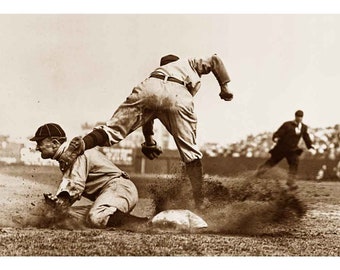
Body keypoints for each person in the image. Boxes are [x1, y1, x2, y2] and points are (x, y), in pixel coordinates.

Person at [58, 53, 234, 209]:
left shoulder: (159, 72)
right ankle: (199, 201)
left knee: (112, 130)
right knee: (191, 153)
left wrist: (149, 142)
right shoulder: (188, 63)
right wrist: (224, 87)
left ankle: (83, 143)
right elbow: (215, 59)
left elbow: (147, 117)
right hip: (178, 93)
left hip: (148, 89)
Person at [30, 123, 147, 228]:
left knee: (96, 217)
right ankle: (114, 215)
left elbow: (75, 187)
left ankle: (146, 224)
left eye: (40, 142)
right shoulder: (67, 157)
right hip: (111, 194)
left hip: (119, 188)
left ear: (55, 143)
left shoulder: (76, 153)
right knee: (64, 217)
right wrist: (56, 207)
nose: (37, 147)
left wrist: (60, 202)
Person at [255, 110, 315, 190]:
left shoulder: (303, 127)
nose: (299, 118)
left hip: (292, 150)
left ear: (302, 117)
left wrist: (310, 146)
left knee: (295, 162)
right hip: (281, 149)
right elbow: (279, 132)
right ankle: (257, 174)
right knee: (271, 162)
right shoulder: (287, 125)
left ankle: (291, 182)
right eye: (298, 116)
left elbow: (306, 137)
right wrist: (276, 137)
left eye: (301, 117)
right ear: (295, 116)